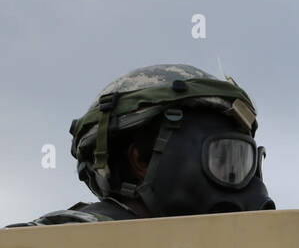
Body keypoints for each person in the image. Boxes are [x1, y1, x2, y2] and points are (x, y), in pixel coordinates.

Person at [9, 63, 274, 227]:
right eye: (225, 158)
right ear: (141, 161)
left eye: (249, 163)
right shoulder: (62, 245)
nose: (251, 187)